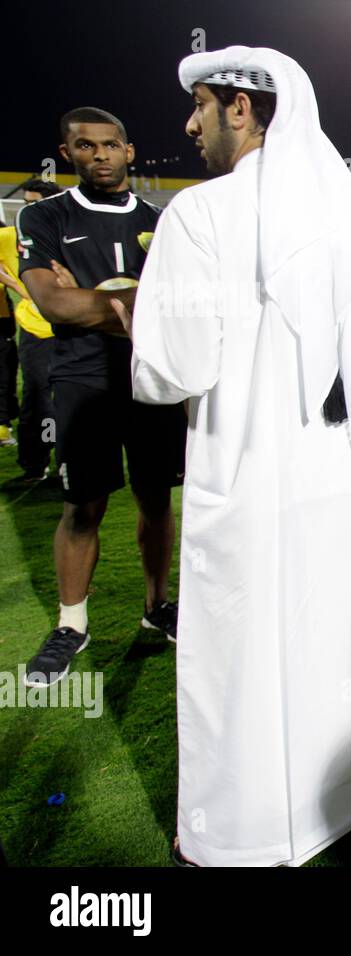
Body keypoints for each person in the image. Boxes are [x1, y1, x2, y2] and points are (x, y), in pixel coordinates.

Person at [124, 45, 351, 867]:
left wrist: (132, 330)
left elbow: (171, 369)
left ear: (244, 110)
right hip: (348, 475)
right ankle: (345, 799)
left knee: (240, 658)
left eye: (201, 107)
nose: (190, 125)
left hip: (250, 475)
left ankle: (241, 830)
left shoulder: (200, 213)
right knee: (336, 646)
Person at [15, 107, 178, 686]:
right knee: (83, 505)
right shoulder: (42, 216)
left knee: (156, 498)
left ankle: (158, 606)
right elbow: (52, 305)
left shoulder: (167, 221)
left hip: (154, 379)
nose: (100, 155)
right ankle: (72, 624)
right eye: (85, 146)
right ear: (67, 154)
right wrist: (144, 305)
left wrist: (92, 301)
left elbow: (187, 308)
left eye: (111, 145)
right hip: (82, 380)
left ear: (129, 152)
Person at [0, 178, 62, 480]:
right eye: (24, 204)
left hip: (70, 327)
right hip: (35, 331)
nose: (27, 210)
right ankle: (34, 465)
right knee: (36, 399)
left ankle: (68, 463)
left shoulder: (68, 231)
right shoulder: (11, 236)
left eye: (33, 204)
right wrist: (14, 283)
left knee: (72, 399)